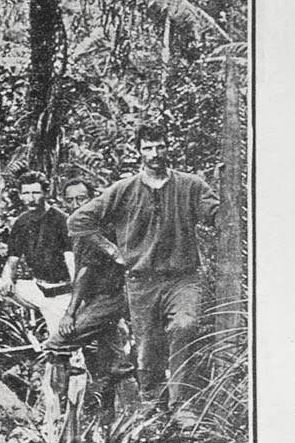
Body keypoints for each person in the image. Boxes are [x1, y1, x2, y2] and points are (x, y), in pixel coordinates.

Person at [67, 122, 219, 418]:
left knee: (184, 326)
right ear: (138, 151)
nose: (154, 153)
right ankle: (152, 408)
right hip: (141, 281)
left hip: (182, 278)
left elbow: (216, 215)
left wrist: (221, 187)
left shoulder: (190, 184)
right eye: (147, 147)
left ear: (167, 146)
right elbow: (78, 221)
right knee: (147, 349)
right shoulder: (124, 190)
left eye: (159, 146)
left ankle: (182, 407)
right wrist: (112, 250)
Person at [43, 176, 133, 419]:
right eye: (70, 200)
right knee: (105, 360)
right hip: (101, 300)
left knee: (57, 345)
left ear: (93, 199)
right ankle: (105, 419)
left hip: (108, 298)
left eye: (81, 198)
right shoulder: (82, 228)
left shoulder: (95, 230)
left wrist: (70, 313)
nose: (75, 204)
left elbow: (85, 273)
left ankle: (58, 413)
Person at [0, 172, 74, 350]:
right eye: (26, 193)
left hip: (61, 295)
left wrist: (73, 308)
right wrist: (7, 279)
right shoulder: (22, 223)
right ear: (20, 195)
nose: (31, 198)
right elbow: (12, 260)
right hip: (37, 289)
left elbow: (72, 265)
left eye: (36, 193)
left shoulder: (61, 220)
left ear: (46, 193)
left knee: (64, 351)